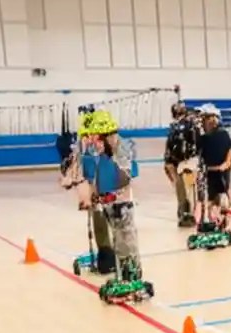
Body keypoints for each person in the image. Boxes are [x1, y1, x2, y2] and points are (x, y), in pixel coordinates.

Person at [74, 109, 148, 294]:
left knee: (126, 240)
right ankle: (122, 275)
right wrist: (95, 195)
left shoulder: (121, 148)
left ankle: (133, 276)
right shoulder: (102, 153)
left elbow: (126, 177)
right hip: (108, 203)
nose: (94, 143)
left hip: (122, 203)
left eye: (98, 139)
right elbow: (98, 176)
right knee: (117, 241)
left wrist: (110, 193)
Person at [196, 103, 231, 230]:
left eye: (205, 118)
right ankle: (212, 220)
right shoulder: (202, 138)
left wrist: (227, 162)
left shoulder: (222, 134)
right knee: (211, 198)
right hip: (209, 171)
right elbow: (198, 153)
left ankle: (224, 221)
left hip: (222, 171)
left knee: (223, 195)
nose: (203, 122)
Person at [163, 101, 199, 227]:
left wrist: (168, 162)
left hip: (186, 162)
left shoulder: (187, 125)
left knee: (185, 189)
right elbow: (171, 147)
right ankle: (186, 213)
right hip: (182, 162)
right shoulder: (179, 126)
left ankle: (187, 213)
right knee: (185, 189)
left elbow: (192, 144)